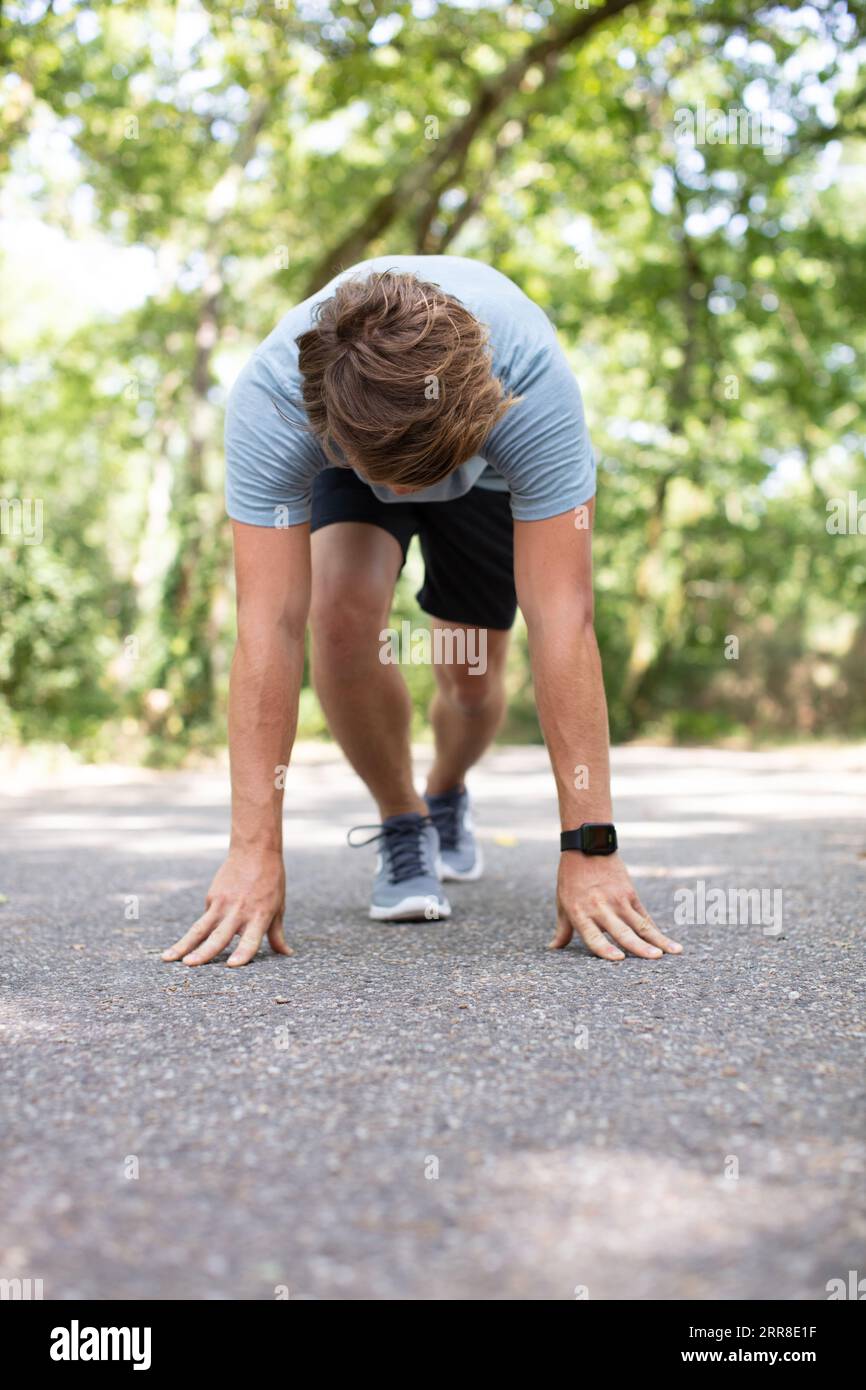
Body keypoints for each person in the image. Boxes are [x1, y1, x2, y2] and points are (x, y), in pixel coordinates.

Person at [162, 256, 682, 966]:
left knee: (469, 683)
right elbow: (268, 626)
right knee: (338, 617)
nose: (406, 500)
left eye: (420, 484)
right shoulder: (274, 403)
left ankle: (446, 794)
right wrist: (253, 851)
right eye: (394, 485)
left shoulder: (530, 383)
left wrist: (590, 848)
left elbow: (564, 619)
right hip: (350, 456)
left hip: (483, 467)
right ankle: (403, 820)